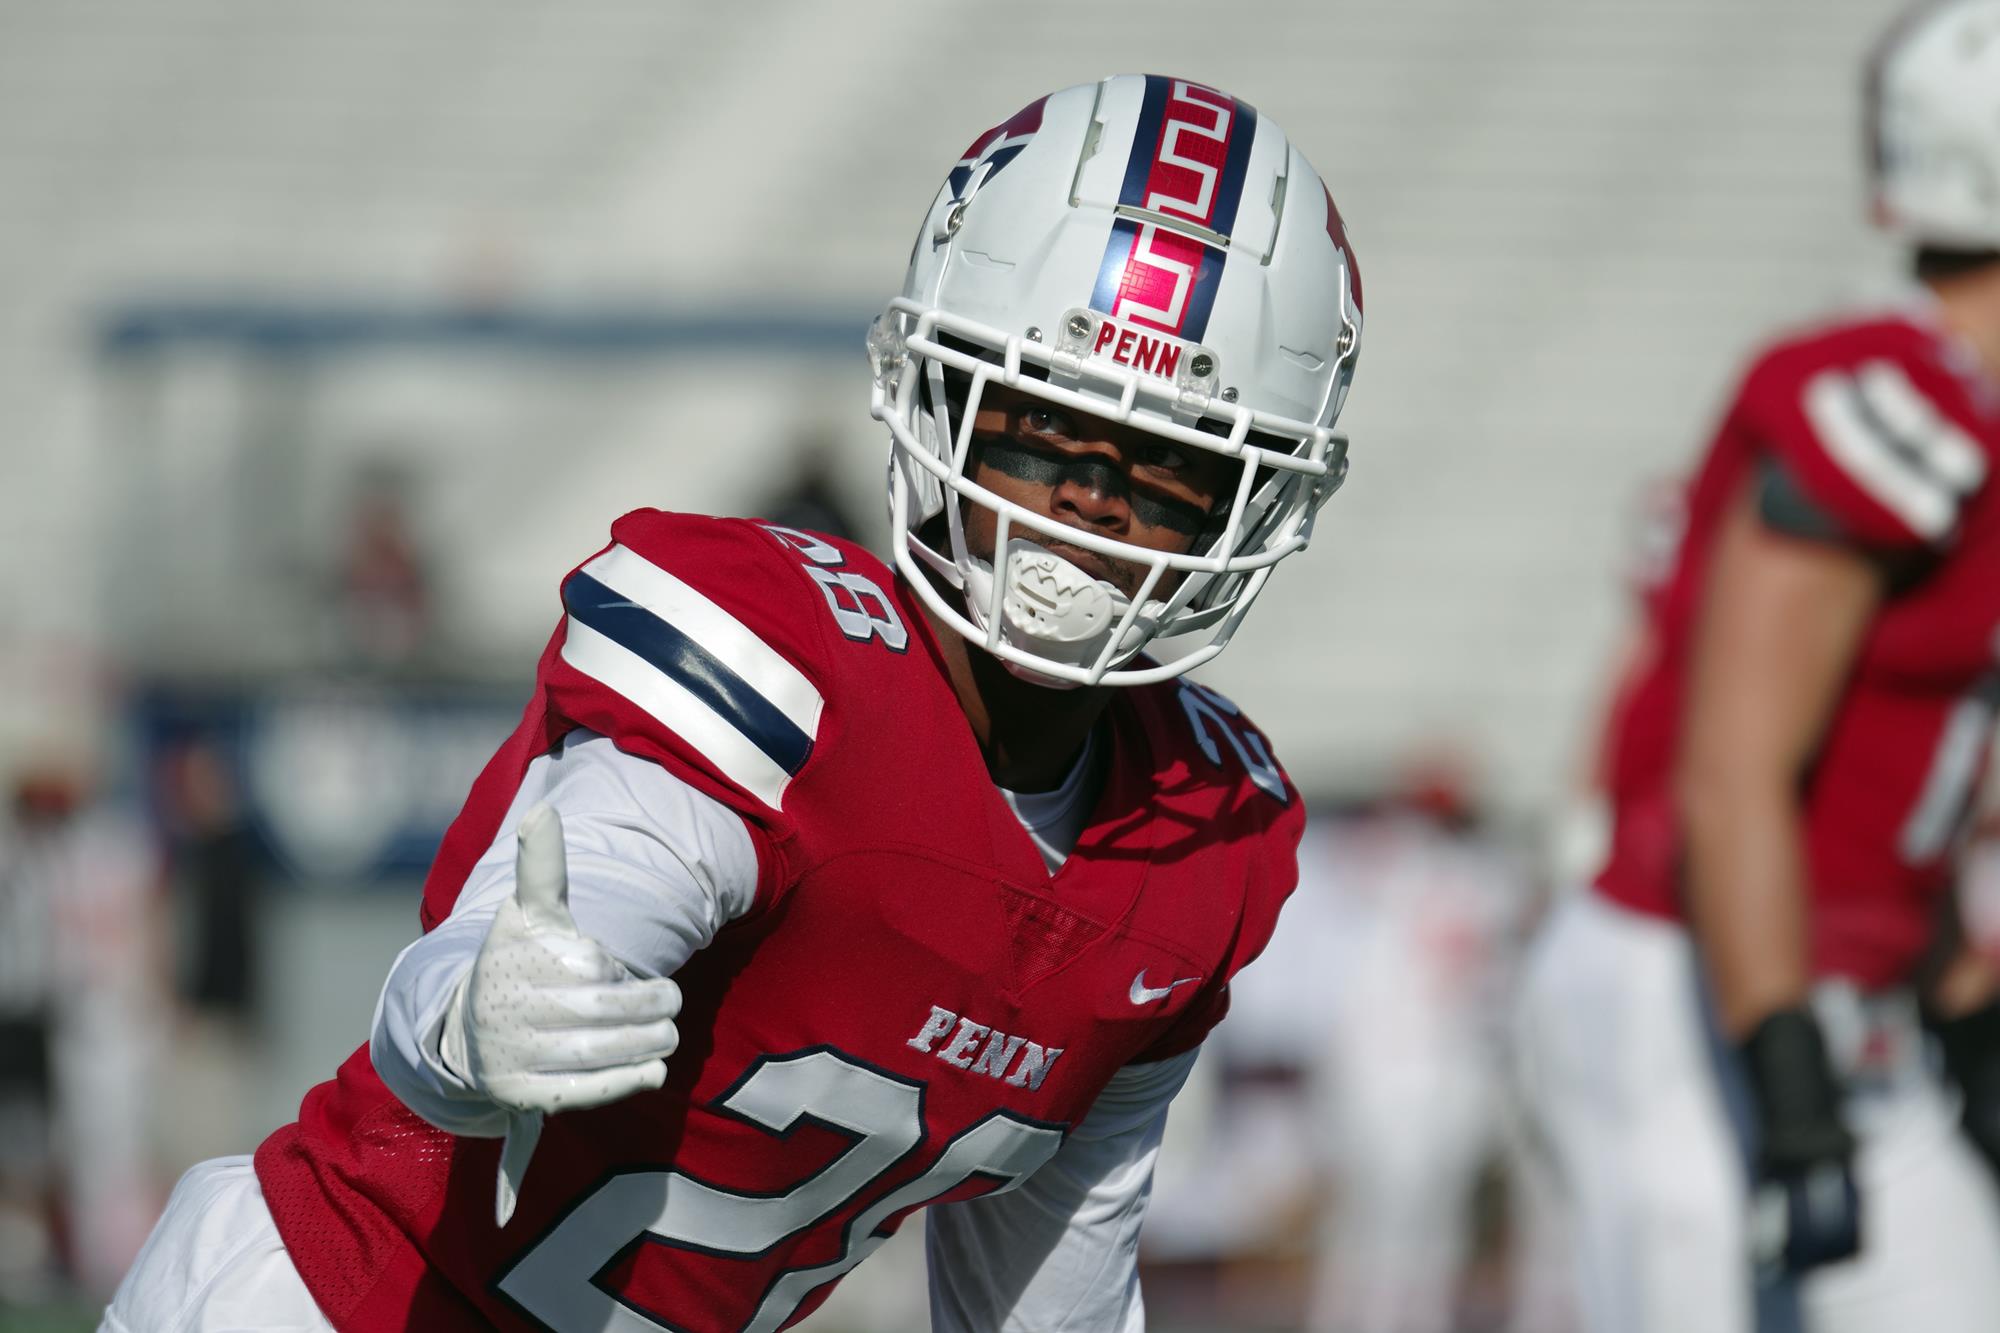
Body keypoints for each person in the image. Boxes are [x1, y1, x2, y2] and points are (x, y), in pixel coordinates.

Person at [103, 73, 1364, 1332]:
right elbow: (513, 953)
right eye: (1040, 429)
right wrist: (487, 1007)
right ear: (937, 397)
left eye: (1171, 465)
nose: (1090, 503)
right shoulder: (783, 665)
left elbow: (1052, 1301)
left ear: (1255, 505)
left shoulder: (1198, 844)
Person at [1517, 4, 2000, 1331]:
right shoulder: (1893, 396)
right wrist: (1786, 1074)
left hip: (1857, 1004)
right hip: (1698, 988)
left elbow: (1917, 774)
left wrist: (1961, 1004)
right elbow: (1730, 774)